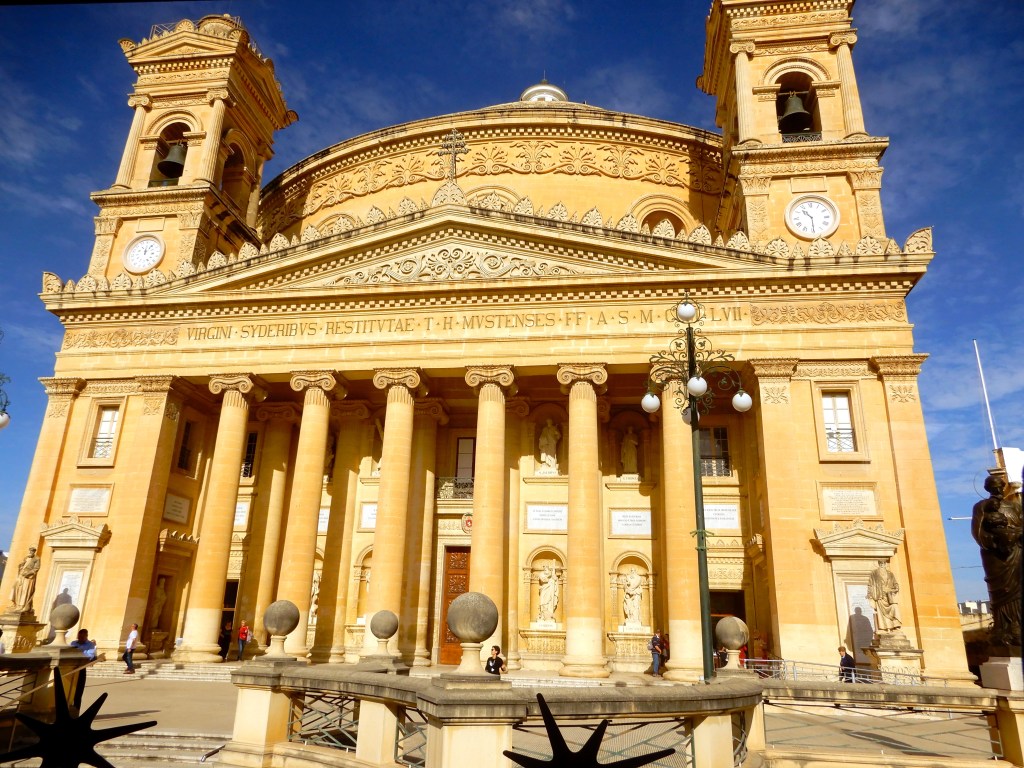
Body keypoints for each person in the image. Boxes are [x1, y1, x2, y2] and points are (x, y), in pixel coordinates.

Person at [971, 473, 1023, 647]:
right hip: (996, 555)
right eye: (994, 486)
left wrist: (1013, 537)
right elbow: (978, 532)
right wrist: (996, 541)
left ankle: (1016, 627)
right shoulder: (982, 506)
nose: (998, 489)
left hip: (1015, 551)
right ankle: (1004, 628)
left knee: (1018, 588)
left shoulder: (1015, 507)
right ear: (988, 489)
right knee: (1003, 590)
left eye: (1000, 485)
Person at [866, 560, 902, 633]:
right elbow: (870, 584)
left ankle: (896, 625)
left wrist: (894, 589)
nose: (882, 564)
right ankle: (886, 629)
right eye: (880, 563)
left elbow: (896, 584)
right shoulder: (874, 573)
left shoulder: (890, 574)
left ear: (885, 564)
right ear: (879, 564)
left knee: (894, 607)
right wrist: (869, 594)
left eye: (883, 563)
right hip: (880, 596)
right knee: (882, 613)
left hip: (889, 596)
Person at [70, 628, 97, 710]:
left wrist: (78, 653)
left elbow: (90, 656)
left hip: (81, 668)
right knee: (69, 690)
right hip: (71, 668)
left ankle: (76, 710)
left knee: (78, 691)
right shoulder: (73, 643)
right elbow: (69, 653)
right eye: (79, 637)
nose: (80, 639)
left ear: (86, 636)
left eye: (82, 637)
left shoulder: (90, 645)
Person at [11, 546, 40, 613]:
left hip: (29, 578)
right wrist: (21, 566)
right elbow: (21, 565)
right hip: (21, 576)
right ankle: (16, 604)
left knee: (25, 591)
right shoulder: (26, 558)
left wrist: (28, 574)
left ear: (34, 552)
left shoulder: (37, 559)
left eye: (32, 551)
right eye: (30, 550)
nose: (30, 552)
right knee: (16, 588)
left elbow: (36, 568)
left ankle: (22, 605)